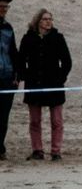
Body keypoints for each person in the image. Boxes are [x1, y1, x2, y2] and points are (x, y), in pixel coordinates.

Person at [17, 8, 72, 161]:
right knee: (35, 120)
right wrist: (25, 76)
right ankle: (37, 150)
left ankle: (56, 151)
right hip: (34, 84)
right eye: (45, 19)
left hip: (54, 85)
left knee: (56, 121)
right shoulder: (28, 38)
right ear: (38, 21)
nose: (49, 22)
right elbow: (21, 60)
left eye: (50, 19)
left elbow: (67, 62)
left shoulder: (58, 38)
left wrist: (60, 79)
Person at [0, 0, 18, 160]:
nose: (4, 9)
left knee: (3, 116)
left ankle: (0, 148)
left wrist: (16, 75)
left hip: (7, 77)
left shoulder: (8, 28)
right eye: (2, 6)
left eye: (6, 7)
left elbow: (13, 52)